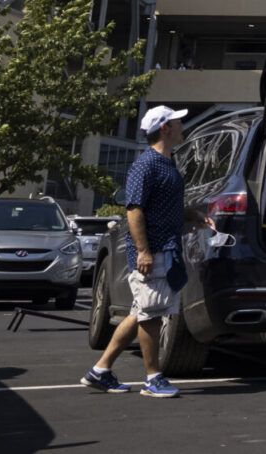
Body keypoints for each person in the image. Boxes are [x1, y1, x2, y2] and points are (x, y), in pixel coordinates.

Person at [83, 106, 203, 398]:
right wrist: (143, 251)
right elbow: (134, 210)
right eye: (177, 121)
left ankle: (100, 371)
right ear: (165, 128)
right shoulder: (145, 164)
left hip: (166, 249)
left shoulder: (167, 163)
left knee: (142, 312)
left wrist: (194, 215)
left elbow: (165, 207)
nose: (181, 124)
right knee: (150, 314)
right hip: (154, 251)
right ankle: (153, 379)